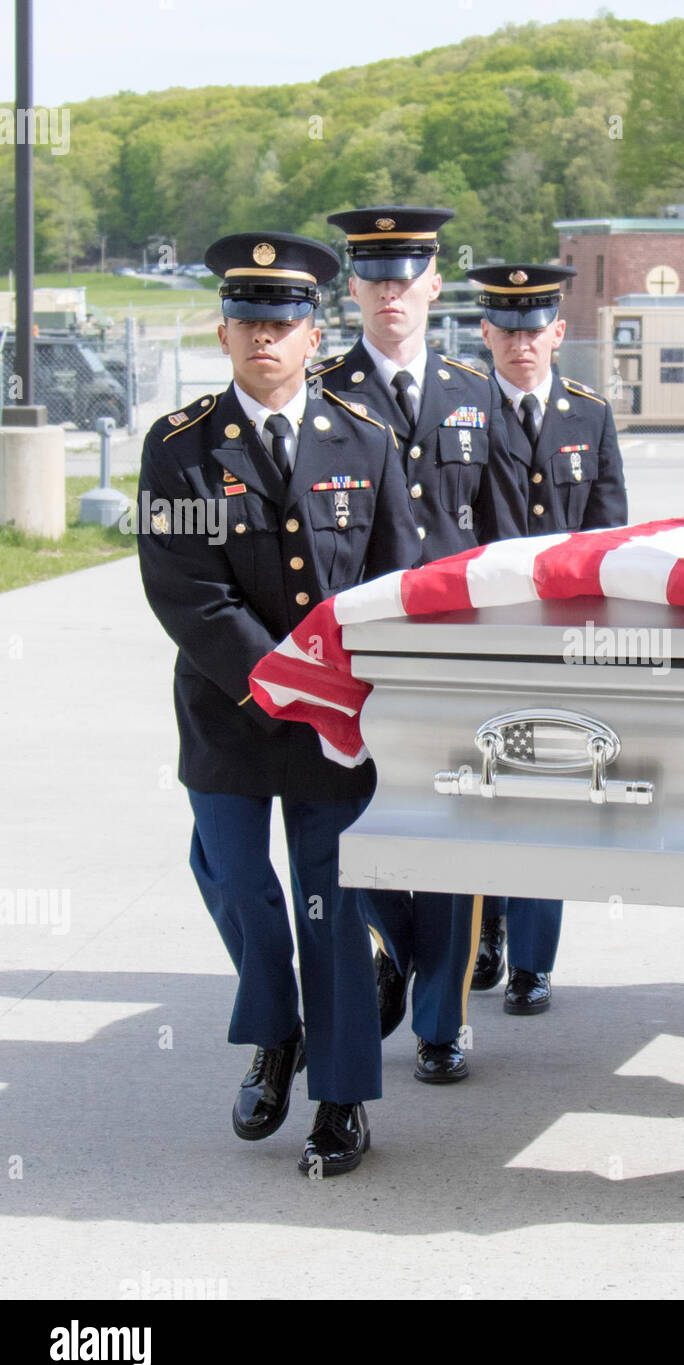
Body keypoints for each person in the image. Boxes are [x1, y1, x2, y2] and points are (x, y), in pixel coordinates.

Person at [137, 232, 421, 1176]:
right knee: (232, 879)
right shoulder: (178, 448)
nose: (266, 336)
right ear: (222, 332)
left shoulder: (366, 440)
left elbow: (395, 582)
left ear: (314, 333)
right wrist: (280, 684)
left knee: (328, 904)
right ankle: (275, 1028)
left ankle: (339, 1098)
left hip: (336, 725)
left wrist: (346, 695)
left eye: (285, 320)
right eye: (249, 320)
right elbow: (186, 593)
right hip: (227, 710)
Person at [310, 207, 527, 1084]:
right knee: (353, 828)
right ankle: (390, 952)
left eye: (407, 277)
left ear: (436, 286)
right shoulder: (322, 392)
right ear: (352, 289)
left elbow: (510, 536)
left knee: (452, 841)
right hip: (356, 659)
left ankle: (440, 1023)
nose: (390, 292)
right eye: (374, 276)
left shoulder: (475, 395)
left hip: (454, 660)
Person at [464, 262, 629, 1014]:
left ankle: (534, 961)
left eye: (535, 329)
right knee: (482, 789)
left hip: (562, 640)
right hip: (482, 637)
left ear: (558, 333)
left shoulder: (588, 416)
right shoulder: (460, 413)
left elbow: (610, 537)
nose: (521, 343)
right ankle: (485, 930)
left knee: (548, 793)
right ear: (485, 333)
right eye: (507, 330)